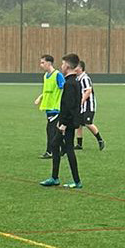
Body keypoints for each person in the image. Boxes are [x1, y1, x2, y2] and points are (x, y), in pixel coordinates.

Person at [41, 53, 82, 188]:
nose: (62, 66)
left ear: (68, 66)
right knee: (55, 144)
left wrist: (63, 123)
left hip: (67, 122)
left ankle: (74, 181)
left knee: (65, 148)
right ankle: (55, 177)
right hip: (69, 121)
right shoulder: (74, 81)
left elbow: (69, 106)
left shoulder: (70, 84)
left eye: (63, 64)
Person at [32, 55, 65, 158]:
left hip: (55, 108)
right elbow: (46, 91)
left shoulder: (58, 75)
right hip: (48, 107)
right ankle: (64, 148)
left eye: (43, 63)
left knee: (51, 130)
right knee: (55, 130)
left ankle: (50, 151)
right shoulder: (46, 75)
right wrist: (40, 97)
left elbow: (64, 89)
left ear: (49, 63)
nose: (41, 65)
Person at [73, 60, 105, 151]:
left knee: (88, 123)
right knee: (78, 124)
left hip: (88, 105)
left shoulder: (85, 78)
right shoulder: (78, 78)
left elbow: (88, 90)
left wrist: (81, 101)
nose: (74, 69)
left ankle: (100, 140)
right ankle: (79, 144)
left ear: (80, 68)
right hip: (82, 106)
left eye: (76, 67)